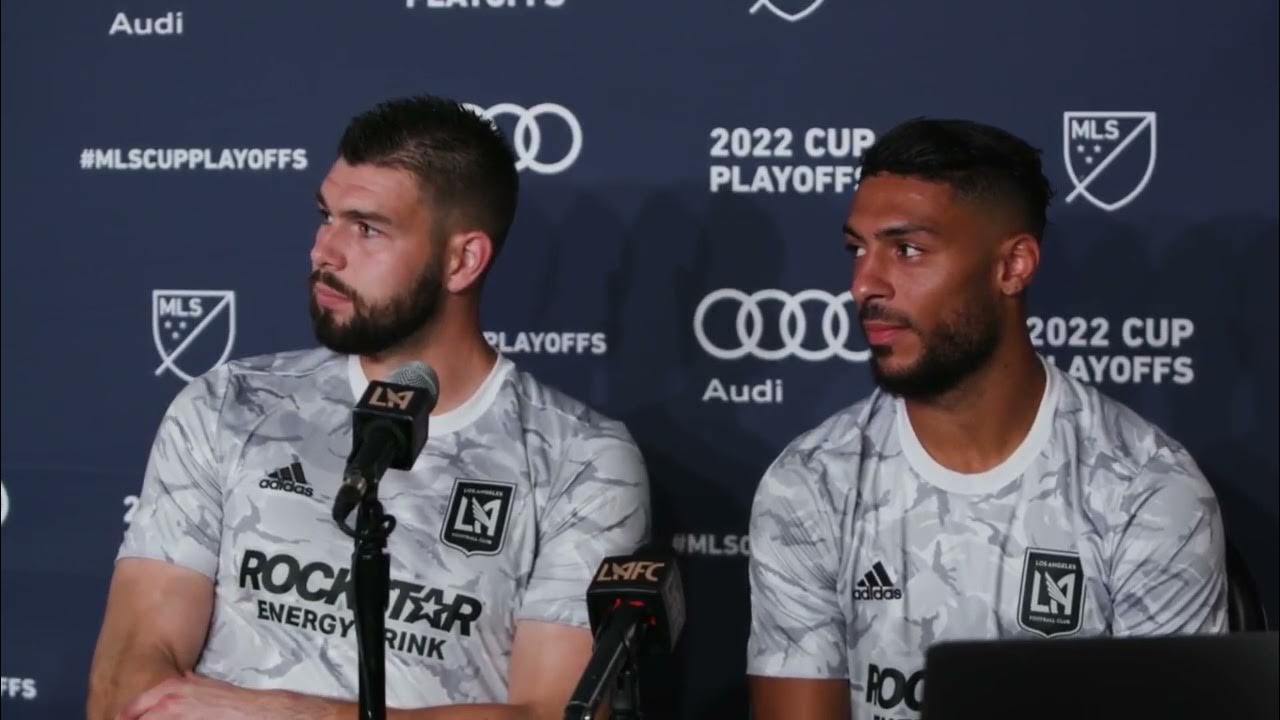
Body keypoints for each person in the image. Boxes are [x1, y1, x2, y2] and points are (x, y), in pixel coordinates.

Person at [87, 94, 650, 720]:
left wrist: (288, 713)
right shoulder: (230, 404)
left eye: (367, 228)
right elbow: (129, 673)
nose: (324, 251)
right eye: (325, 216)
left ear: (462, 260)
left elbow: (553, 714)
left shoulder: (580, 459)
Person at [745, 118, 1227, 720]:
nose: (863, 283)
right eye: (857, 249)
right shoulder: (811, 484)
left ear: (1013, 266)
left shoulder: (1146, 488)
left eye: (908, 250)